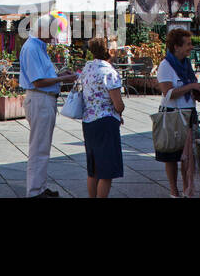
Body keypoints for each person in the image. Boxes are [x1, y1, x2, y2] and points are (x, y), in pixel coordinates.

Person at [18, 15, 76, 198]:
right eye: (52, 32)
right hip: (40, 99)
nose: (54, 37)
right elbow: (38, 81)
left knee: (42, 146)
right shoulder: (32, 48)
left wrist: (59, 74)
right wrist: (63, 78)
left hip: (43, 99)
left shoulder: (37, 47)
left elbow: (41, 77)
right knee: (39, 147)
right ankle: (35, 191)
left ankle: (39, 187)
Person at [156, 27, 200, 197]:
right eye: (188, 44)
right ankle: (174, 190)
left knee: (188, 155)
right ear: (176, 47)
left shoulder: (186, 65)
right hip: (172, 113)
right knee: (171, 154)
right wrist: (192, 86)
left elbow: (188, 90)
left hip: (189, 112)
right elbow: (168, 93)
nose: (191, 47)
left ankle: (187, 188)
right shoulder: (165, 66)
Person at [78, 36, 125, 198]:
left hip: (89, 122)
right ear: (110, 51)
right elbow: (118, 105)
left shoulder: (88, 69)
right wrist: (120, 111)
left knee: (93, 170)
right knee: (106, 172)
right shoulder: (109, 72)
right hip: (106, 122)